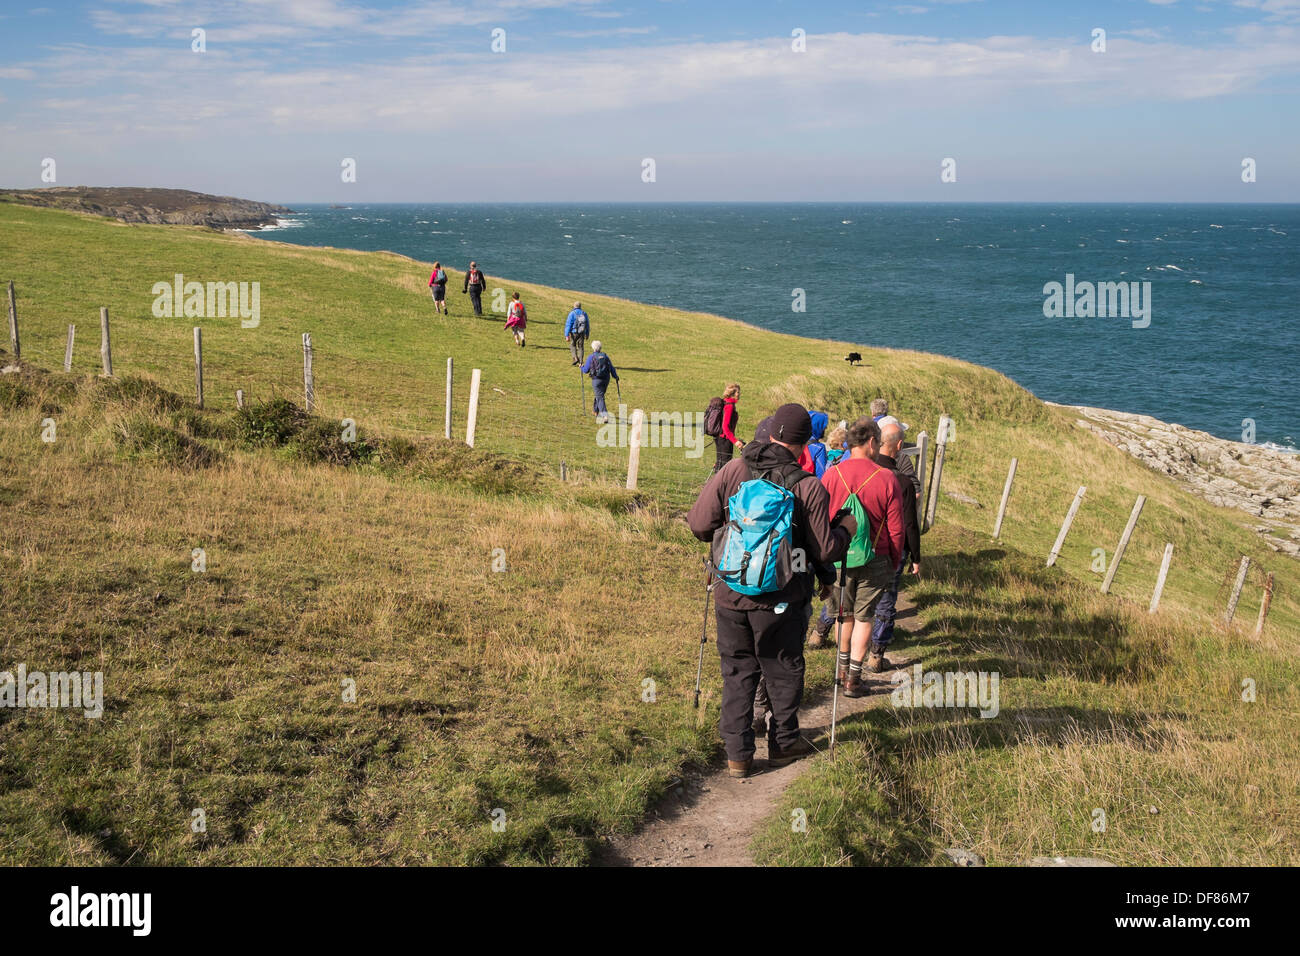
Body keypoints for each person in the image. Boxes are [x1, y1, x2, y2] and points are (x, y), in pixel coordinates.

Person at [687, 403, 855, 779]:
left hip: (730, 591)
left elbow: (698, 523)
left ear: (771, 432)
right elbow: (825, 550)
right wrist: (845, 527)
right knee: (782, 669)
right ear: (805, 443)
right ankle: (783, 744)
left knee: (737, 671)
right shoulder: (807, 486)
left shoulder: (734, 470)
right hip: (783, 597)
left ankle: (738, 755)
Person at [822, 416, 905, 698]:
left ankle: (841, 670)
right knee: (864, 616)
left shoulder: (832, 474)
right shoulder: (886, 478)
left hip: (837, 556)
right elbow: (896, 529)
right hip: (875, 557)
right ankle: (854, 680)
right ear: (871, 442)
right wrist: (893, 562)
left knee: (843, 617)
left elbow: (821, 519)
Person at [869, 418, 922, 671]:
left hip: (861, 545)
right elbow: (910, 523)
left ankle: (822, 631)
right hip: (892, 548)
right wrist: (916, 556)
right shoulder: (902, 482)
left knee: (851, 592)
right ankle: (876, 653)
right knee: (887, 600)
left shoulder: (862, 470)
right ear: (899, 446)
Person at [582, 340, 619, 423]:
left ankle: (605, 415)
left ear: (593, 348)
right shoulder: (605, 356)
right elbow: (612, 368)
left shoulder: (591, 357)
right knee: (599, 395)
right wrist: (615, 376)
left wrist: (581, 367)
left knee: (600, 397)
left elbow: (585, 370)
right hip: (606, 379)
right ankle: (595, 411)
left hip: (596, 380)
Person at [714, 383, 742, 474]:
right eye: (738, 392)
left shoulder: (727, 402)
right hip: (725, 440)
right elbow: (725, 427)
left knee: (721, 465)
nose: (739, 394)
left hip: (722, 439)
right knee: (725, 468)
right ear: (732, 393)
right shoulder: (729, 406)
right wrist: (735, 441)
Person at [564, 301, 590, 366]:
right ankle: (581, 362)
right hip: (582, 332)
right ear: (580, 306)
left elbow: (568, 325)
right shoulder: (584, 313)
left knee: (573, 345)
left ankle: (575, 358)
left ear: (574, 306)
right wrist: (587, 334)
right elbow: (587, 325)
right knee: (581, 347)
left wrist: (566, 335)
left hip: (574, 332)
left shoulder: (572, 313)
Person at [805, 411, 830, 478]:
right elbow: (821, 476)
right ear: (817, 426)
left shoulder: (795, 442)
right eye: (823, 425)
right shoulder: (819, 448)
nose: (825, 428)